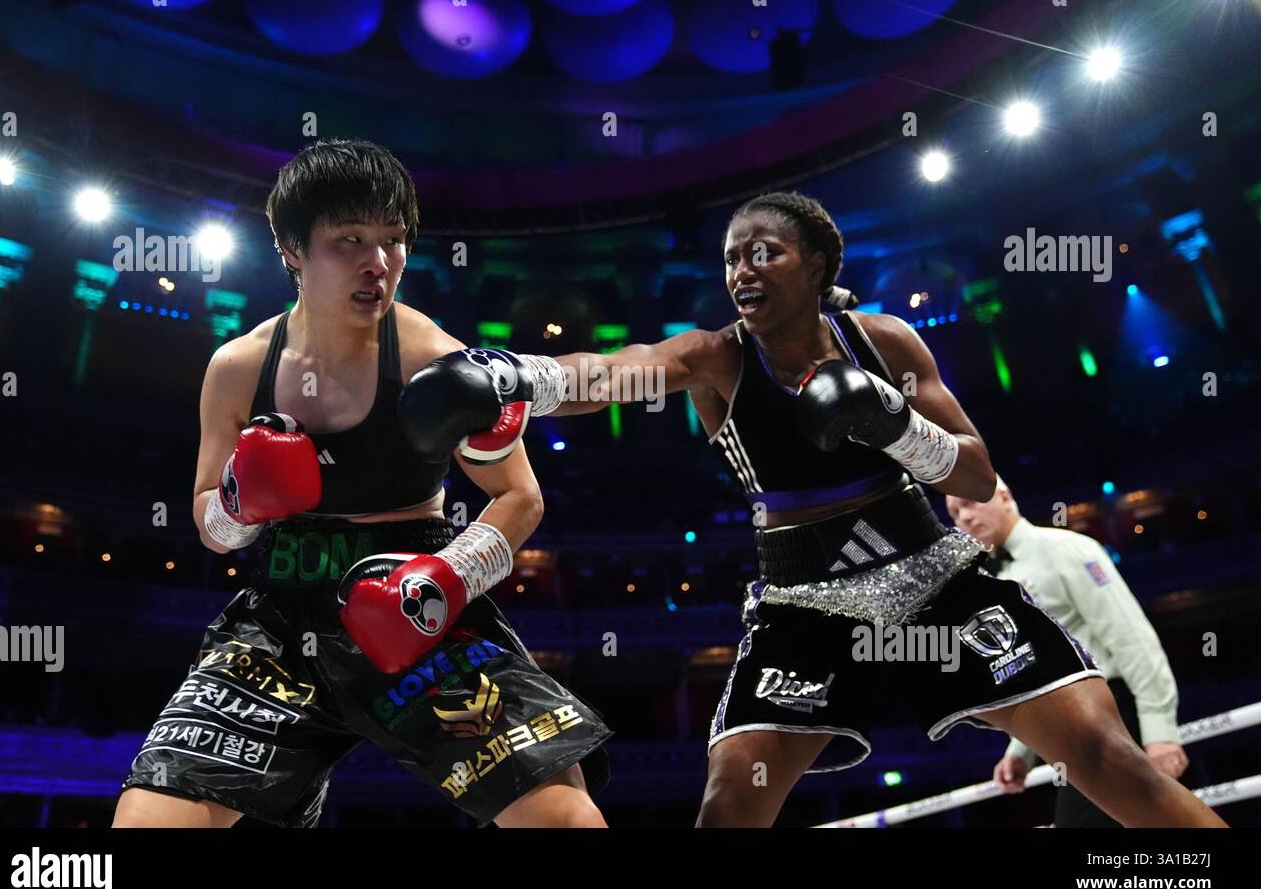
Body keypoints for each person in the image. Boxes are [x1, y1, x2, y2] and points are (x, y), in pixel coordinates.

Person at [402, 190, 1226, 828]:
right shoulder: (715, 358)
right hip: (804, 611)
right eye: (732, 257)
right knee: (730, 805)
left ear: (819, 262)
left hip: (941, 583)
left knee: (1107, 753)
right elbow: (607, 373)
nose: (743, 270)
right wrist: (512, 379)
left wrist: (897, 423)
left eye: (765, 251)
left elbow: (975, 478)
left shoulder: (888, 344)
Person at [112, 139, 610, 829]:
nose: (379, 263)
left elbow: (520, 497)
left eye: (394, 240)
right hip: (281, 618)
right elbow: (208, 521)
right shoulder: (237, 367)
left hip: (418, 599)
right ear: (292, 247)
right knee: (147, 823)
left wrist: (443, 578)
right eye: (350, 239)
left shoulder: (437, 362)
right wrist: (238, 502)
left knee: (563, 818)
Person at [948, 478, 1190, 827]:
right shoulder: (997, 582)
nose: (964, 519)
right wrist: (1021, 751)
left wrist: (1160, 732)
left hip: (1112, 712)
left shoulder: (1066, 549)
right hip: (1069, 727)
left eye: (969, 503)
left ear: (1004, 496)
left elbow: (1130, 637)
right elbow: (1036, 672)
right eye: (955, 514)